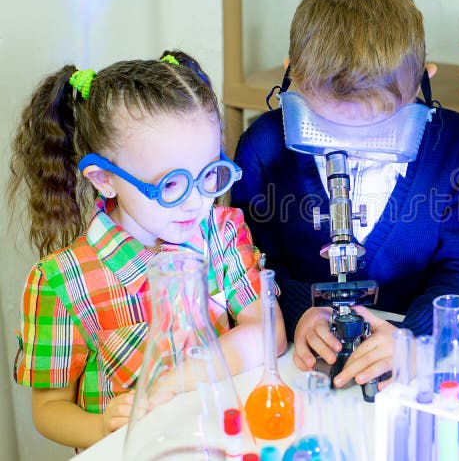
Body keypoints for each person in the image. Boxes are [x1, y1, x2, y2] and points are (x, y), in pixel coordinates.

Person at [232, 0, 459, 390]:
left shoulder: (451, 146)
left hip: (411, 368)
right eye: (320, 127)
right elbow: (249, 264)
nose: (349, 151)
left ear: (421, 84)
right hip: (297, 362)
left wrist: (417, 338)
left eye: (381, 131)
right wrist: (298, 309)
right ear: (291, 79)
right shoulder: (264, 147)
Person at [9, 51, 287, 449]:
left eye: (209, 174)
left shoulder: (222, 235)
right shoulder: (61, 283)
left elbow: (267, 332)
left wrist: (174, 381)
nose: (196, 202)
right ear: (105, 179)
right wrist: (102, 426)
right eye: (171, 185)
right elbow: (49, 409)